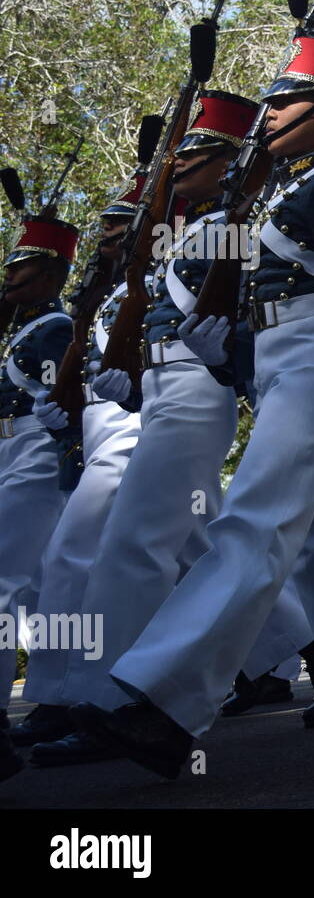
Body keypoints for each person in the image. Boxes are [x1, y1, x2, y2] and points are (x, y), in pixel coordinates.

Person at [69, 27, 314, 778]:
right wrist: (233, 358)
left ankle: (166, 700)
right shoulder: (269, 200)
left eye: (286, 102)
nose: (268, 115)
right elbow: (260, 308)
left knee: (254, 521)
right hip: (284, 366)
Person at [16, 174, 145, 758]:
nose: (107, 238)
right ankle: (300, 651)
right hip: (101, 426)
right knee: (206, 552)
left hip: (142, 421)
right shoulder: (105, 296)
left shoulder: (152, 280)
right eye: (105, 229)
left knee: (69, 557)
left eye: (119, 228)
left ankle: (64, 698)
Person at [0, 211, 78, 738]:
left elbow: (59, 399)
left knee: (6, 577)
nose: (8, 281)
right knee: (32, 589)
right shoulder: (19, 328)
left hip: (34, 444)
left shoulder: (56, 327)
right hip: (9, 447)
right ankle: (58, 693)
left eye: (18, 273)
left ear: (49, 278)